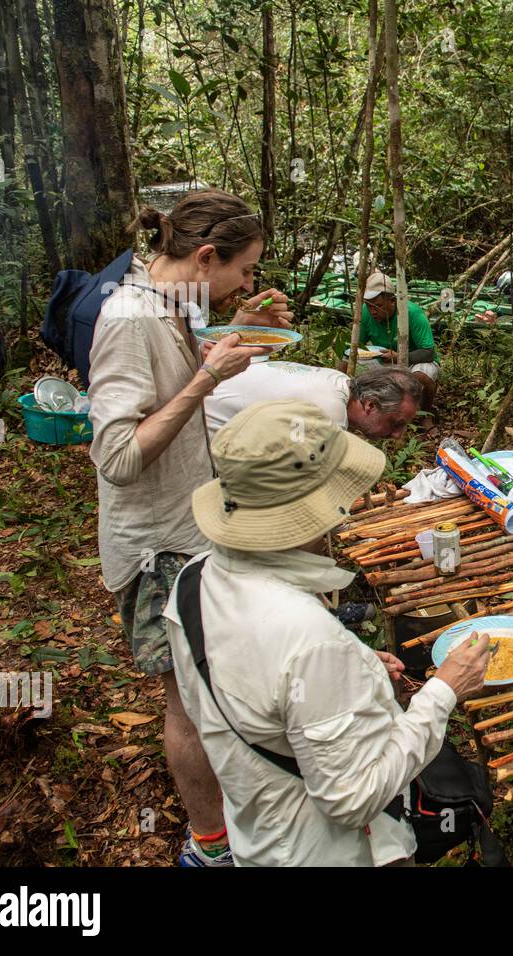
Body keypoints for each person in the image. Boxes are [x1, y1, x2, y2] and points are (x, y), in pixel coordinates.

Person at [163, 400, 490, 866]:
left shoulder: (193, 580)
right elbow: (353, 800)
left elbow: (228, 698)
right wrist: (443, 690)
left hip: (257, 829)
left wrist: (350, 671)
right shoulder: (309, 639)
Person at [87, 187, 292, 866]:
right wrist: (208, 378)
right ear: (206, 255)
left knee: (213, 686)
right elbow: (117, 456)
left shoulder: (171, 305)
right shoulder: (128, 318)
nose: (248, 283)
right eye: (243, 272)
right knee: (187, 701)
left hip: (191, 528)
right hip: (157, 550)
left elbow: (188, 365)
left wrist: (244, 325)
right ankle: (209, 848)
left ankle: (234, 817)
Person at [205, 362, 422, 443]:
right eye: (396, 423)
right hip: (206, 433)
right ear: (371, 405)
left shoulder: (338, 382)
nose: (397, 435)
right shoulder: (328, 415)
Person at [358, 272, 440, 410]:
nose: (373, 311)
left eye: (378, 306)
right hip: (384, 359)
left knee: (422, 376)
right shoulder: (365, 313)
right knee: (349, 362)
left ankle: (426, 414)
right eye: (369, 306)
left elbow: (429, 352)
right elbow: (355, 347)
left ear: (392, 301)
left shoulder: (412, 313)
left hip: (414, 361)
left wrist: (399, 357)